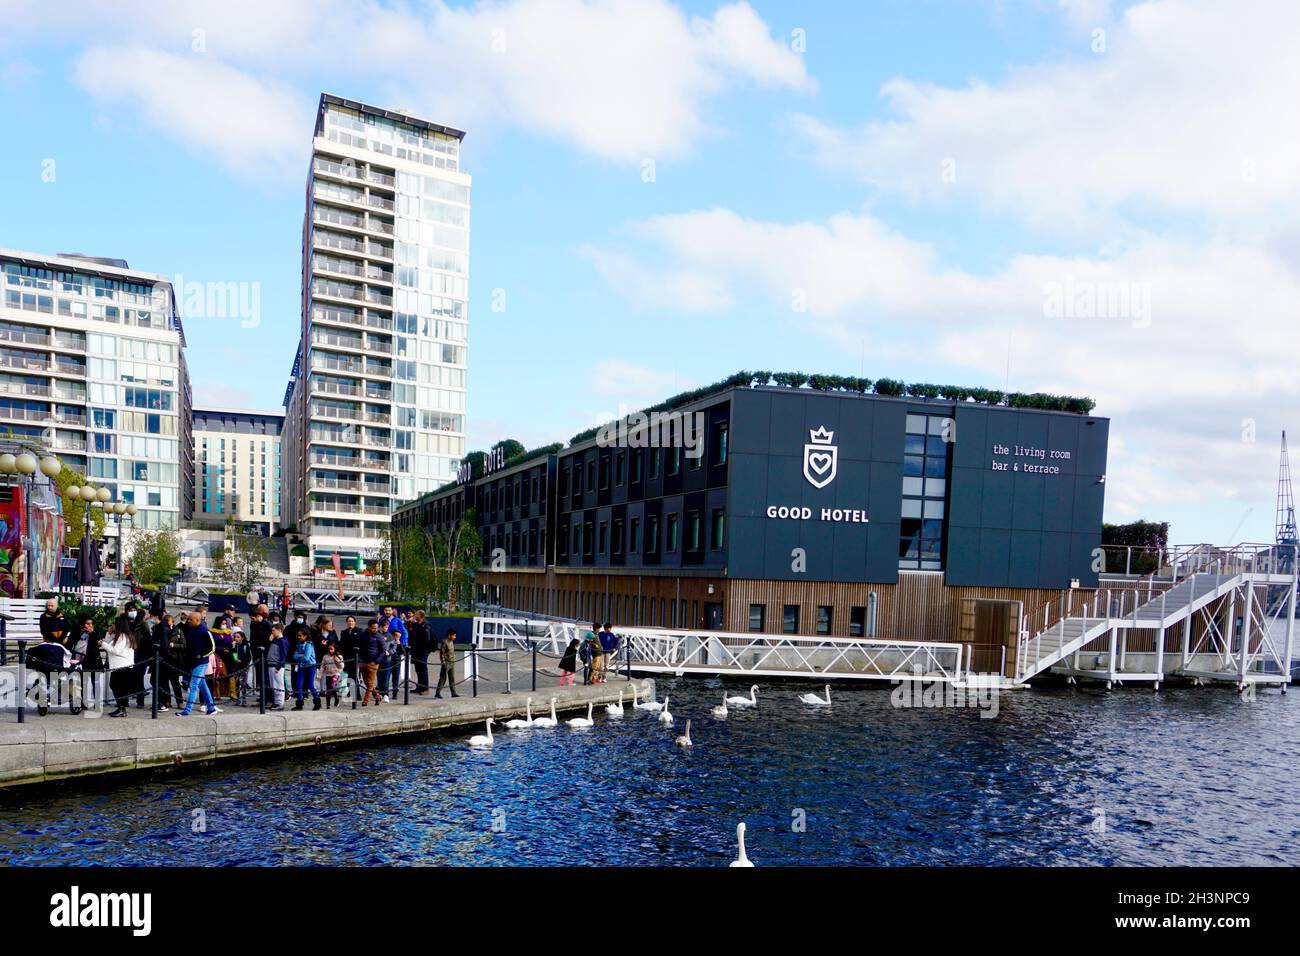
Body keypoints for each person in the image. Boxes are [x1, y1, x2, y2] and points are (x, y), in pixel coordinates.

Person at [176, 611, 221, 717]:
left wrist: (201, 656)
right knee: (203, 685)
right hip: (192, 662)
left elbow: (212, 648)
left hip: (201, 662)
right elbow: (180, 627)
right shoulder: (190, 628)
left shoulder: (204, 631)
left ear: (197, 620)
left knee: (193, 685)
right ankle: (211, 708)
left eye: (190, 619)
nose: (188, 621)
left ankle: (187, 710)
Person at [26, 630, 72, 717]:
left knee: (43, 681)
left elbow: (30, 653)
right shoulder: (60, 647)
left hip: (43, 669)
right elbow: (68, 656)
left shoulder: (40, 646)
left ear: (45, 639)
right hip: (57, 669)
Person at [104, 621, 136, 718]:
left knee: (117, 687)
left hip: (122, 667)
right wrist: (108, 634)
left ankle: (121, 708)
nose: (111, 626)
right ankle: (121, 708)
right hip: (119, 666)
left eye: (113, 624)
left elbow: (115, 650)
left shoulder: (122, 637)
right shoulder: (120, 636)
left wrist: (102, 643)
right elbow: (109, 644)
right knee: (117, 687)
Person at [73, 617, 105, 710]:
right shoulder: (79, 632)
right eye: (87, 623)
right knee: (83, 683)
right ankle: (83, 703)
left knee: (96, 683)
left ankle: (97, 703)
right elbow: (73, 640)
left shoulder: (95, 632)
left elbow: (99, 641)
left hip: (94, 660)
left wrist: (91, 632)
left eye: (91, 623)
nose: (89, 625)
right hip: (82, 661)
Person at [158, 612, 186, 711]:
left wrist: (174, 645)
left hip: (175, 660)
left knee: (175, 683)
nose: (166, 623)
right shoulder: (161, 631)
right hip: (164, 660)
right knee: (164, 683)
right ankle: (167, 701)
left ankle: (180, 701)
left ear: (172, 622)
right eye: (164, 621)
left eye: (168, 621)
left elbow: (183, 645)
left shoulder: (178, 630)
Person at [292, 628, 321, 711]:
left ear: (306, 636)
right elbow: (294, 656)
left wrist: (299, 655)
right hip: (301, 666)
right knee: (298, 685)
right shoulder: (298, 644)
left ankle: (317, 702)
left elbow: (306, 658)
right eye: (298, 635)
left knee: (310, 685)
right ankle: (299, 704)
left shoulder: (309, 645)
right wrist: (300, 656)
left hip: (310, 667)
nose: (298, 637)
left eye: (300, 636)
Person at [358, 619, 386, 706]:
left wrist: (377, 661)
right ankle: (377, 696)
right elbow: (359, 646)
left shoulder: (379, 636)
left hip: (373, 663)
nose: (375, 629)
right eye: (373, 628)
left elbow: (383, 650)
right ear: (369, 627)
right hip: (363, 662)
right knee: (367, 682)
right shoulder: (363, 634)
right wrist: (359, 659)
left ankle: (365, 701)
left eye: (376, 628)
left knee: (370, 683)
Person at [265, 623, 289, 711]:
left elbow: (283, 654)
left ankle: (280, 703)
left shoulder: (282, 641)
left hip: (277, 665)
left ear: (279, 630)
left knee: (279, 685)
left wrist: (279, 665)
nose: (272, 632)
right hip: (271, 664)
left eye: (273, 630)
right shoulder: (275, 640)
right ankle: (275, 702)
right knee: (273, 685)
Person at [408, 610, 431, 694]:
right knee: (418, 669)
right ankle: (419, 687)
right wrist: (411, 623)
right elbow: (412, 634)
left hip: (422, 651)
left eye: (416, 614)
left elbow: (427, 639)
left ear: (420, 615)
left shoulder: (426, 625)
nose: (414, 615)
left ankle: (425, 689)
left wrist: (426, 650)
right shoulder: (417, 624)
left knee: (423, 669)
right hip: (416, 650)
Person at [339, 615, 362, 693]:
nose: (350, 623)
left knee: (355, 676)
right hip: (346, 657)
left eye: (352, 621)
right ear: (346, 622)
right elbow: (341, 644)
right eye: (349, 621)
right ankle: (350, 692)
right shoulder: (344, 632)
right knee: (348, 675)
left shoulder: (359, 631)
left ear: (355, 622)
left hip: (355, 657)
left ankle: (357, 693)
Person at [435, 628, 459, 698]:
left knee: (452, 678)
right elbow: (441, 653)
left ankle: (453, 692)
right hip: (446, 663)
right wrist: (443, 662)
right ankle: (437, 693)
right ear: (449, 635)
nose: (455, 637)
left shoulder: (451, 642)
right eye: (454, 635)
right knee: (443, 678)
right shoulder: (444, 642)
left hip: (452, 662)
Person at [320, 641, 344, 708]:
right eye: (329, 649)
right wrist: (319, 675)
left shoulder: (339, 656)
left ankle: (336, 699)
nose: (330, 651)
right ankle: (328, 704)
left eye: (332, 649)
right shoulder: (325, 657)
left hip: (336, 673)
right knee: (328, 689)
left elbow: (342, 666)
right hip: (328, 674)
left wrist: (337, 660)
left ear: (335, 649)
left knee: (332, 685)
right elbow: (322, 666)